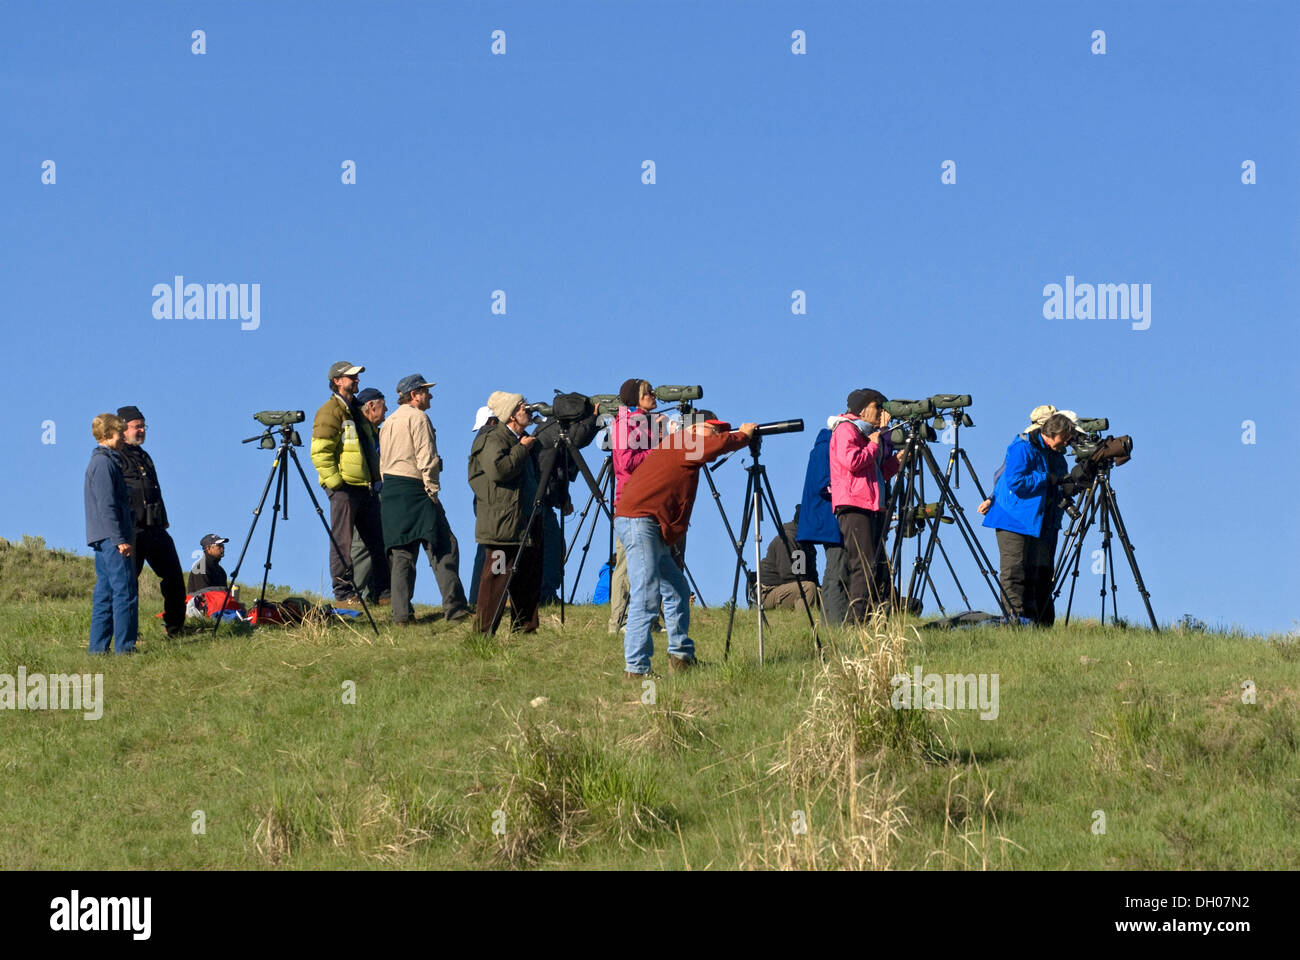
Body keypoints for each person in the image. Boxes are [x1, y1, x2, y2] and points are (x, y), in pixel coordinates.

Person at [615, 410, 755, 677]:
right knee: (646, 594)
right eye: (713, 430)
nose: (717, 436)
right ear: (694, 430)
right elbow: (713, 446)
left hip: (647, 523)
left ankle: (681, 657)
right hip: (641, 521)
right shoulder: (682, 442)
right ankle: (636, 669)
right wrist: (742, 436)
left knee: (677, 588)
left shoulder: (681, 448)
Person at [379, 374, 470, 625]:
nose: (429, 395)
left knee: (401, 554)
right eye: (425, 391)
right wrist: (432, 491)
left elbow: (382, 462)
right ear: (414, 395)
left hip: (391, 492)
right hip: (415, 488)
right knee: (443, 546)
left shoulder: (388, 422)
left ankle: (402, 617)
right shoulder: (418, 418)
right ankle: (455, 609)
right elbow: (426, 458)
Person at [310, 361, 390, 607]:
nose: (357, 380)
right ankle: (344, 594)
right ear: (337, 380)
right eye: (351, 377)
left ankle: (383, 593)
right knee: (343, 542)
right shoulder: (329, 411)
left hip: (363, 486)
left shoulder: (355, 410)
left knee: (378, 540)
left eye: (356, 377)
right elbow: (320, 452)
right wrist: (336, 483)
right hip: (345, 487)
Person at [982, 412, 1073, 625]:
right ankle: (1015, 620)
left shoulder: (1055, 454)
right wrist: (1046, 478)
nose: (1068, 442)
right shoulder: (1022, 447)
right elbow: (1015, 481)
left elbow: (1057, 484)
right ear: (1054, 433)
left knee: (1037, 573)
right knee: (1015, 570)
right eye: (1066, 437)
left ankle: (1036, 622)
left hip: (1038, 521)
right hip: (1013, 519)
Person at [829, 388, 905, 623]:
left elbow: (877, 474)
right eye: (877, 406)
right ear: (861, 410)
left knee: (874, 564)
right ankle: (855, 622)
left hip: (870, 505)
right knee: (863, 565)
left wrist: (896, 461)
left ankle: (869, 618)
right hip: (854, 506)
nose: (881, 411)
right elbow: (851, 462)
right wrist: (874, 444)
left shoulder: (866, 434)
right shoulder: (845, 429)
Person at [469, 392, 542, 634]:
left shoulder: (519, 439)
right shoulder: (493, 439)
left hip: (520, 522)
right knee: (496, 579)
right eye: (523, 407)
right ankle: (483, 634)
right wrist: (521, 449)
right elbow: (499, 470)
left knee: (525, 578)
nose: (528, 410)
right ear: (511, 414)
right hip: (501, 526)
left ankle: (525, 630)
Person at [115, 405, 186, 637]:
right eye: (137, 426)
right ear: (123, 429)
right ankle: (129, 637)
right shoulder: (116, 456)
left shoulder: (145, 455)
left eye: (144, 426)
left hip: (155, 529)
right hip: (132, 530)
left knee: (174, 577)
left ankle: (175, 629)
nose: (142, 430)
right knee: (128, 585)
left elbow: (155, 491)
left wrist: (164, 519)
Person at [609, 378, 662, 634]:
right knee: (627, 563)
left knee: (649, 563)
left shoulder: (645, 423)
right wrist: (658, 448)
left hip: (648, 499)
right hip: (630, 501)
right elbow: (626, 463)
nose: (653, 395)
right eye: (647, 393)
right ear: (634, 398)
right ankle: (618, 621)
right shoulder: (624, 424)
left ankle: (645, 619)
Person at [84, 413, 137, 654]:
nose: (122, 438)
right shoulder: (105, 464)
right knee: (124, 592)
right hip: (112, 539)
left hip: (101, 537)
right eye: (118, 433)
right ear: (107, 436)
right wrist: (120, 540)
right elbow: (107, 505)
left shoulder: (100, 462)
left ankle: (97, 650)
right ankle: (125, 648)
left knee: (104, 594)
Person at [797, 421, 849, 626]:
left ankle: (833, 620)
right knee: (837, 569)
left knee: (836, 568)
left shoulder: (824, 446)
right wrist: (848, 493)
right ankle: (834, 622)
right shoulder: (825, 447)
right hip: (830, 518)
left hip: (828, 518)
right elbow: (823, 484)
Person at [351, 386, 387, 601]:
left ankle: (372, 592)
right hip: (365, 492)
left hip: (376, 492)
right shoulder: (360, 431)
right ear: (371, 406)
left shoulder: (375, 432)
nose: (386, 411)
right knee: (362, 544)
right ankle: (354, 592)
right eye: (383, 406)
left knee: (375, 543)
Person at [758, 505, 820, 610]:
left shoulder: (807, 543)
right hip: (769, 592)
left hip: (789, 587)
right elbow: (790, 576)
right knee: (809, 589)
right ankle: (802, 622)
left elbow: (813, 577)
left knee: (824, 593)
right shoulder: (788, 538)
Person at [467, 404, 497, 607]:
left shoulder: (479, 439)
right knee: (493, 550)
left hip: (483, 501)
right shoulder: (489, 440)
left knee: (485, 551)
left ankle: (476, 598)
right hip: (492, 502)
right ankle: (484, 597)